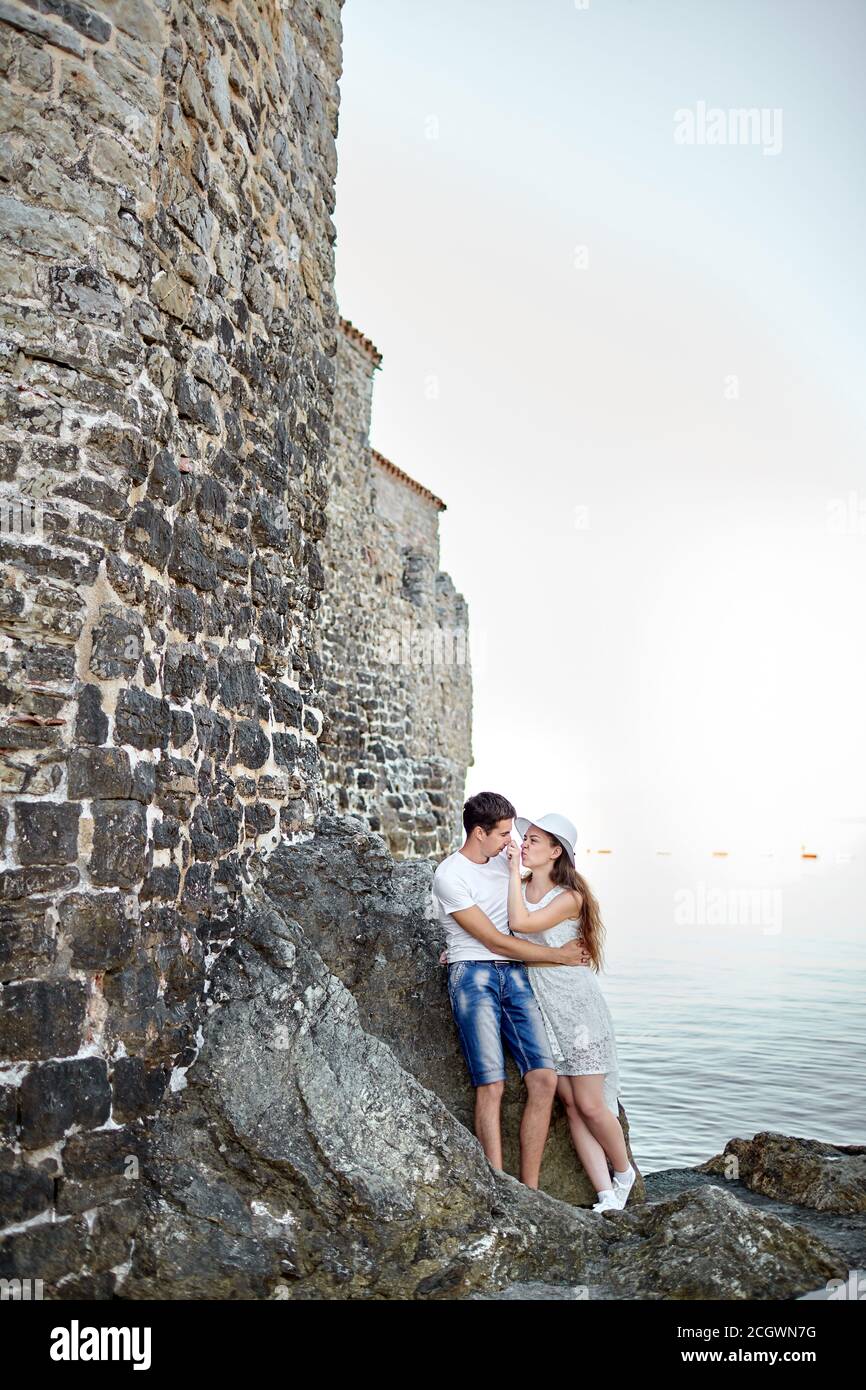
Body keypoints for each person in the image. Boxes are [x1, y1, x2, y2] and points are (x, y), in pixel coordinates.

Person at [432, 791, 591, 1189]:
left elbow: (533, 906)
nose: (511, 841)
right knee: (492, 1084)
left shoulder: (506, 864)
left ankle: (529, 1190)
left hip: (516, 974)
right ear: (479, 833)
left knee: (544, 1078)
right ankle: (499, 1186)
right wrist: (558, 956)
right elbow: (493, 940)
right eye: (504, 833)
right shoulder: (450, 876)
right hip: (474, 977)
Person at [506, 813, 636, 1211]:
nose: (524, 845)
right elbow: (498, 933)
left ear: (555, 851)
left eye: (534, 840)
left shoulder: (569, 898)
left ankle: (624, 1173)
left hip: (577, 1008)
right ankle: (605, 1195)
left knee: (591, 1104)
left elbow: (519, 923)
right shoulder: (519, 887)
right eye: (525, 839)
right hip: (543, 1009)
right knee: (573, 1107)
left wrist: (510, 874)